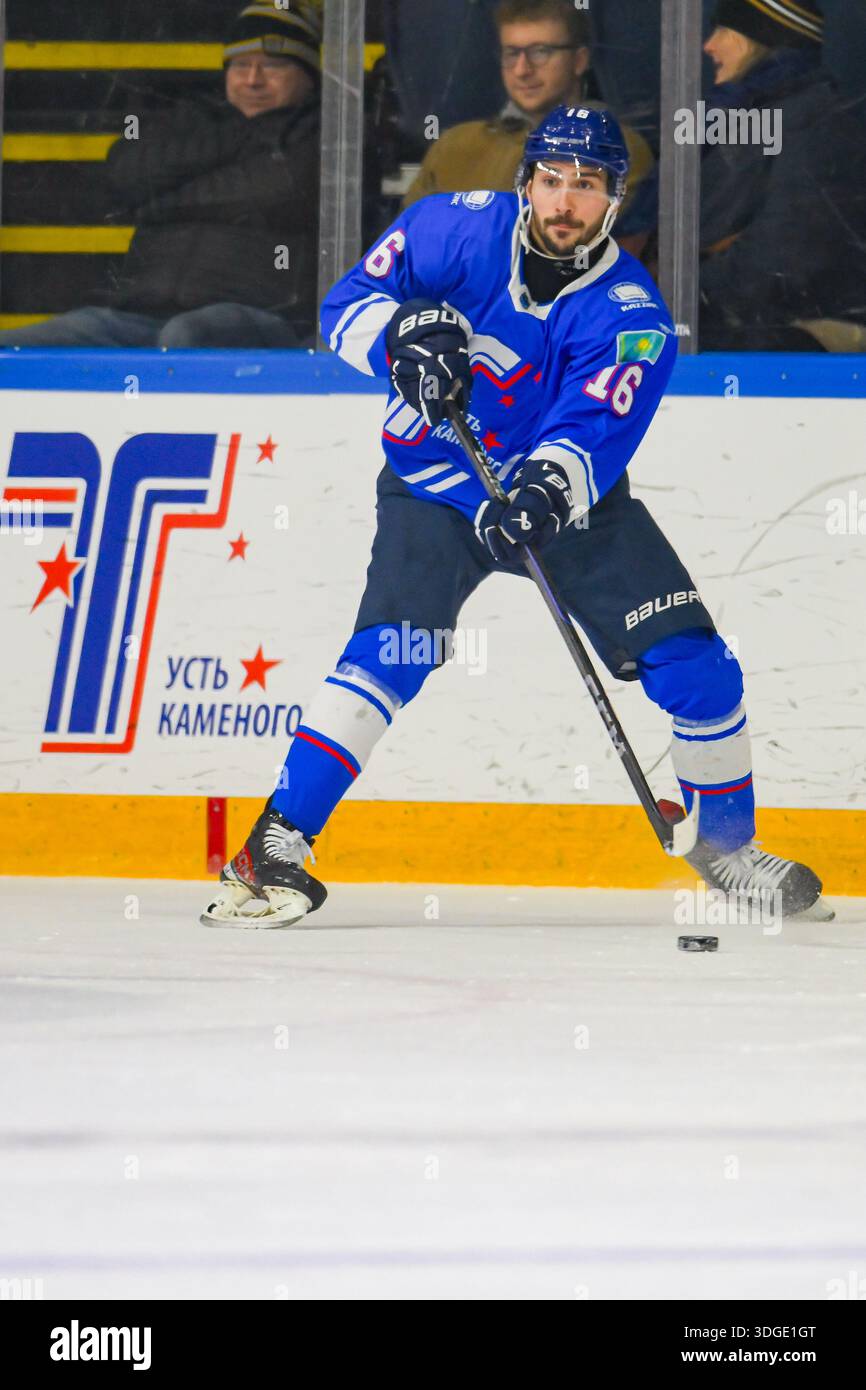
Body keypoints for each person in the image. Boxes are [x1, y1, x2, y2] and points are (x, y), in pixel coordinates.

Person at [200, 105, 829, 930]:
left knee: (699, 667)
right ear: (525, 181)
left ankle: (727, 850)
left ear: (615, 200)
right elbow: (344, 306)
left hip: (563, 507)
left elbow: (590, 433)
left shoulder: (634, 317)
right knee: (392, 651)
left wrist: (541, 494)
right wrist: (400, 337)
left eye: (588, 185)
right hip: (433, 484)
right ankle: (272, 846)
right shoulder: (449, 228)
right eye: (552, 180)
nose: (566, 201)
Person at [0, 3, 322, 350]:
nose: (253, 80)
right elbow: (124, 174)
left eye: (273, 66)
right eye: (240, 65)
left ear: (308, 76)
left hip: (258, 315)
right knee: (16, 347)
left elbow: (273, 193)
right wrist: (243, 137)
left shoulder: (320, 131)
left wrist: (157, 202)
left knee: (185, 337)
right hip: (140, 313)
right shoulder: (189, 118)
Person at [402, 0, 654, 242]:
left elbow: (582, 253)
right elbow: (406, 245)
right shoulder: (454, 147)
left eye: (540, 52)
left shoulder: (617, 148)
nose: (522, 70)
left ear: (579, 60)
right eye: (511, 54)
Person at [698, 0, 866, 352]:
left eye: (724, 30)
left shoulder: (815, 125)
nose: (708, 45)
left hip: (785, 350)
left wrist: (685, 287)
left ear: (760, 39)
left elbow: (780, 259)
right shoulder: (751, 117)